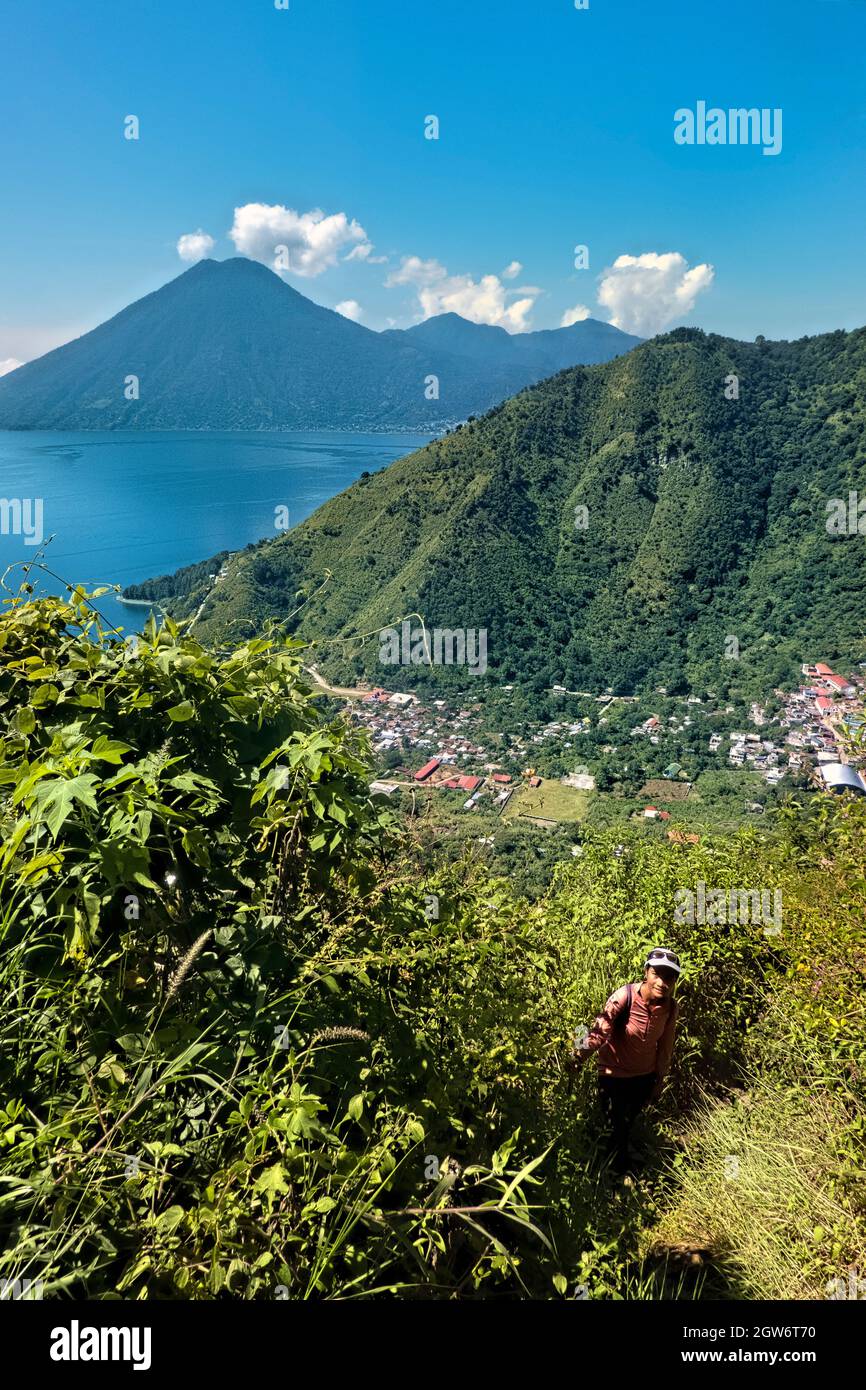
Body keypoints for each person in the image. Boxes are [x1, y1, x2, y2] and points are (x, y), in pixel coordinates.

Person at [569, 947, 681, 1172]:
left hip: (643, 1078)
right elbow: (598, 1031)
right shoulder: (625, 996)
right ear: (646, 972)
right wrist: (577, 1057)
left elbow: (665, 1047)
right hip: (613, 1076)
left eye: (669, 977)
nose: (662, 982)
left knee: (625, 1125)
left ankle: (617, 1167)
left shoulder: (671, 1007)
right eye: (657, 974)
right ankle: (617, 1180)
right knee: (616, 1127)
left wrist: (659, 1081)